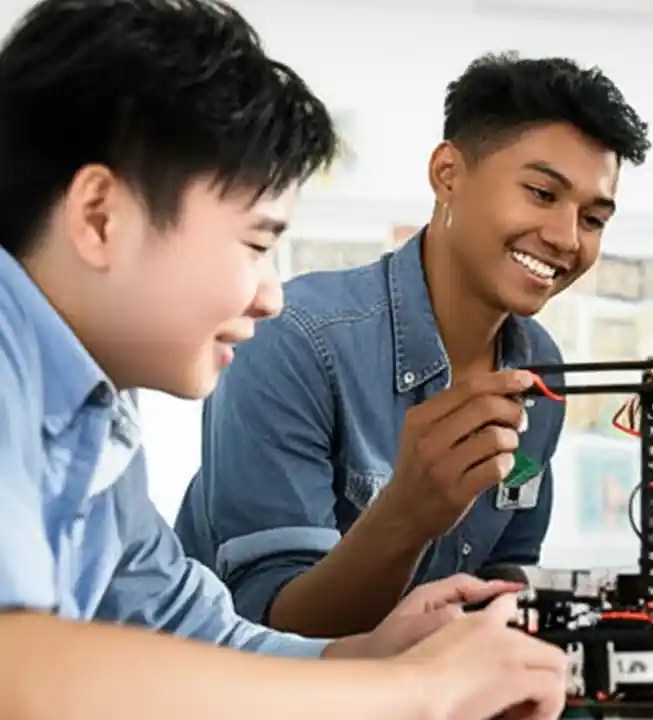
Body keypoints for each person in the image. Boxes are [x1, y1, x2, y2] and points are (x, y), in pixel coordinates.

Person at [0, 1, 571, 718]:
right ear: (98, 217)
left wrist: (376, 654)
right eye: (255, 243)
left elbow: (195, 634)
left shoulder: (95, 418)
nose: (271, 296)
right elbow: (17, 672)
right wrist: (416, 691)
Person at [174, 51, 651, 639]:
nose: (565, 238)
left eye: (594, 219)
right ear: (448, 174)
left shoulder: (539, 365)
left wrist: (617, 610)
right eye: (541, 194)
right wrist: (408, 514)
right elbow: (268, 627)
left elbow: (506, 573)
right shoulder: (295, 339)